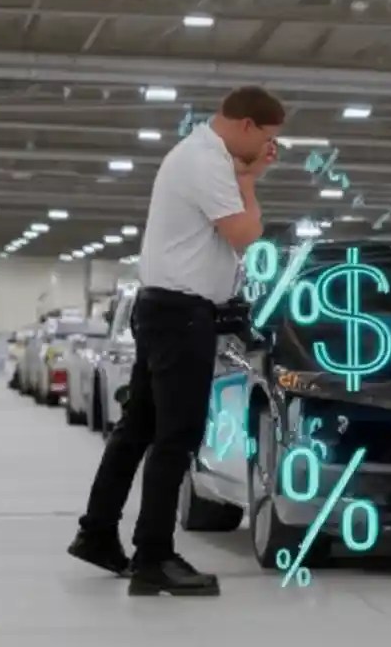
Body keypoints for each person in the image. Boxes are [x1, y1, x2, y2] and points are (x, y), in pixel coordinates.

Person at [67, 86, 284, 596]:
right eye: (268, 138)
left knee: (138, 428)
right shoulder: (209, 162)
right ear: (248, 126)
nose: (268, 149)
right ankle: (153, 557)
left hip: (166, 310)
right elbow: (247, 236)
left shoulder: (199, 156)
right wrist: (251, 180)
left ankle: (97, 533)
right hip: (181, 315)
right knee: (177, 436)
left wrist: (245, 175)